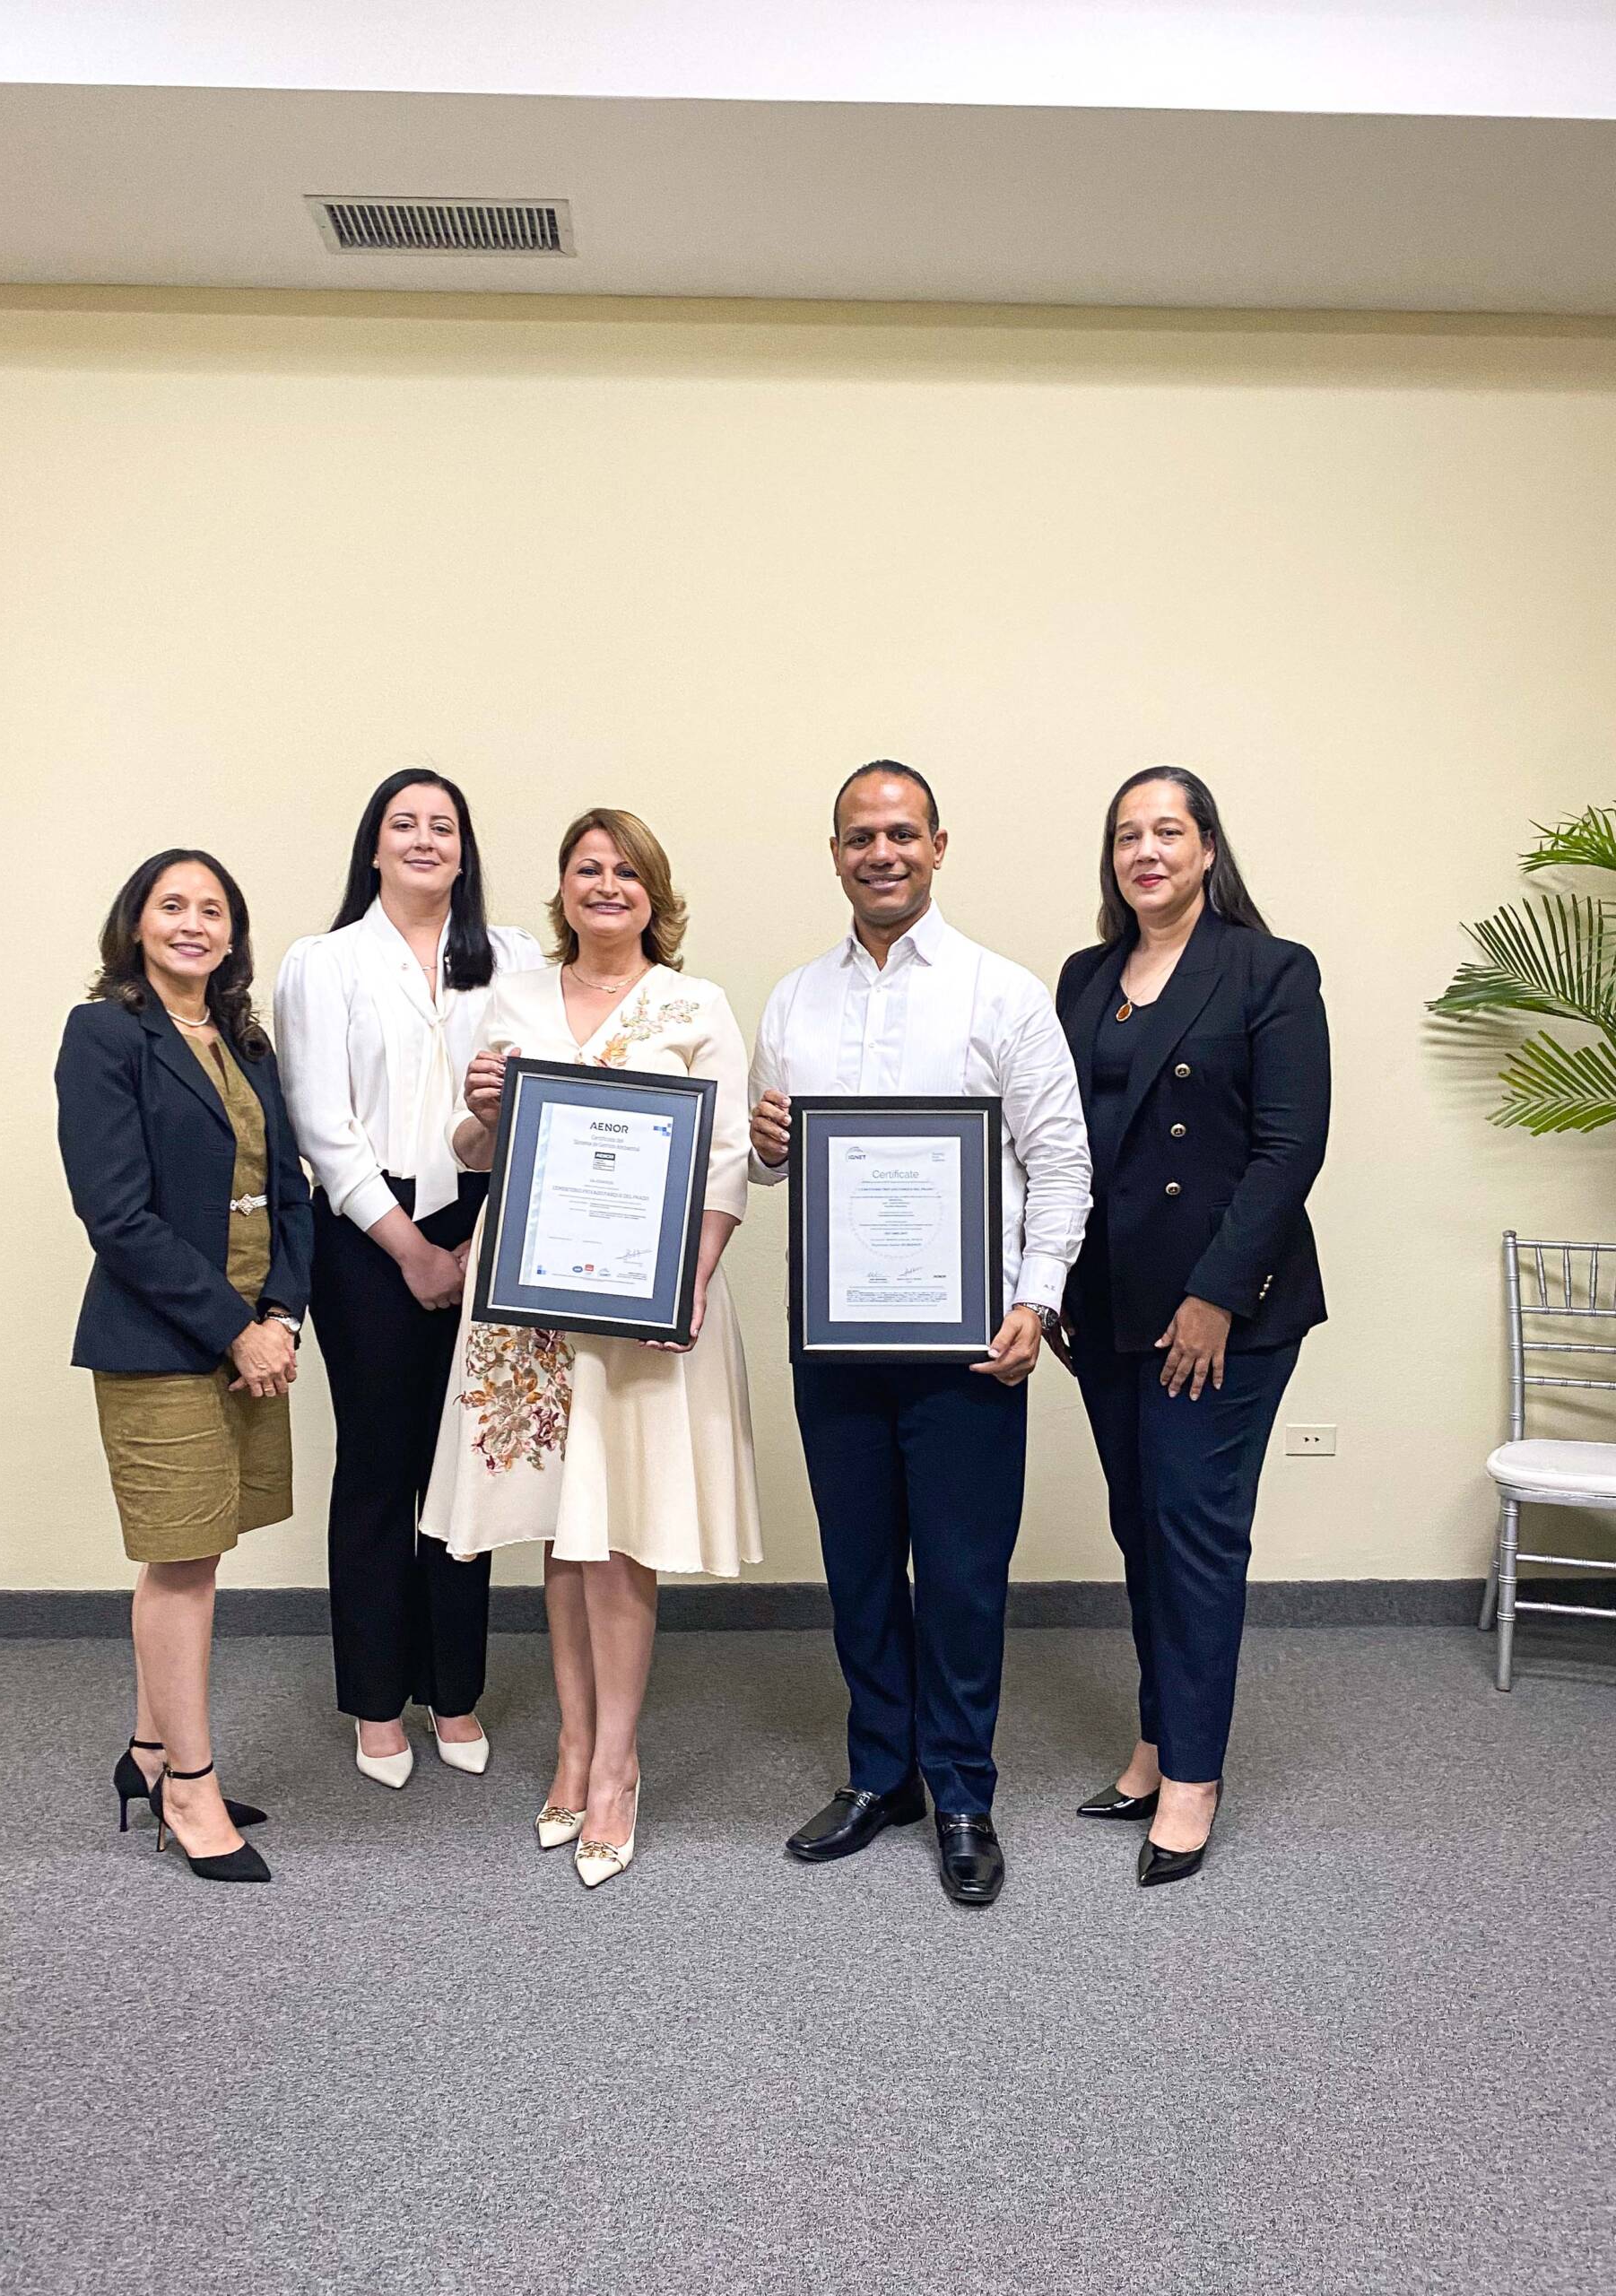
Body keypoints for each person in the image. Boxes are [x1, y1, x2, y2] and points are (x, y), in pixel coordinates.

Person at [751, 761, 1091, 1908]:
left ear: (939, 846)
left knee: (960, 1578)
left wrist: (1035, 1304)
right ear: (835, 854)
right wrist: (766, 1143)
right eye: (860, 836)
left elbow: (1062, 1165)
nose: (881, 852)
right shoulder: (794, 1000)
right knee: (857, 1572)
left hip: (970, 1342)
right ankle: (879, 1775)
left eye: (902, 833)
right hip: (836, 1341)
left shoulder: (1004, 993)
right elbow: (774, 1159)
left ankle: (961, 1792)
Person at [421, 807, 761, 1888]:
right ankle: (572, 1744)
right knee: (560, 1534)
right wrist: (479, 1110)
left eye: (626, 870)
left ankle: (617, 1765)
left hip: (644, 1301)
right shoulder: (515, 995)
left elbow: (726, 1158)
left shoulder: (695, 1006)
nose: (606, 885)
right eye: (586, 868)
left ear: (655, 893)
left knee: (618, 1535)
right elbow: (476, 1148)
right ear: (562, 888)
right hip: (528, 1301)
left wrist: (690, 1283)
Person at [1056, 767, 1329, 1887]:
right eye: (1128, 834)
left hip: (1221, 1310)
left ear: (1208, 847)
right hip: (1107, 1303)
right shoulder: (1085, 977)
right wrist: (1045, 1282)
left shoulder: (1269, 969)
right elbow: (1053, 1137)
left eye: (1168, 830)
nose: (1147, 851)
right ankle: (1157, 1738)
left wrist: (1217, 1294)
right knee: (1140, 1526)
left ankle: (1194, 1776)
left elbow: (1289, 1148)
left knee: (1194, 1534)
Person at [274, 772, 543, 1788]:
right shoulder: (324, 962)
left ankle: (454, 1691)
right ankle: (378, 1703)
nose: (425, 839)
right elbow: (321, 1126)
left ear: (465, 851)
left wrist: (483, 1238)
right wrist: (413, 1251)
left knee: (469, 1468)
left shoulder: (513, 957)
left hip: (490, 1220)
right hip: (366, 1235)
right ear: (375, 847)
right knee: (381, 1468)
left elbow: (547, 1093)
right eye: (405, 824)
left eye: (444, 825)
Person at [56, 850, 311, 1885]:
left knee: (200, 1551)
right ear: (137, 923)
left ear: (233, 933)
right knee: (182, 1559)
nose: (193, 922)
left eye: (213, 908)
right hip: (164, 1341)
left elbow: (288, 1189)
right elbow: (115, 1215)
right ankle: (191, 1790)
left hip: (253, 1331)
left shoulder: (246, 1040)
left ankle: (148, 1752)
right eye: (173, 905)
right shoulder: (104, 1035)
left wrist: (282, 1312)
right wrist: (233, 1330)